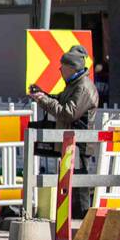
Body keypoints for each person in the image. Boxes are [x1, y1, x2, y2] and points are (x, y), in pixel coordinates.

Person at [30, 44, 99, 219]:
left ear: (70, 68)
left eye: (62, 66)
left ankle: (81, 223)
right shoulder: (74, 84)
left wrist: (44, 101)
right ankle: (74, 223)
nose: (60, 70)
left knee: (79, 188)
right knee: (71, 186)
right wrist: (43, 95)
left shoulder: (82, 87)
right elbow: (60, 100)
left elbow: (68, 113)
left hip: (79, 145)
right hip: (72, 143)